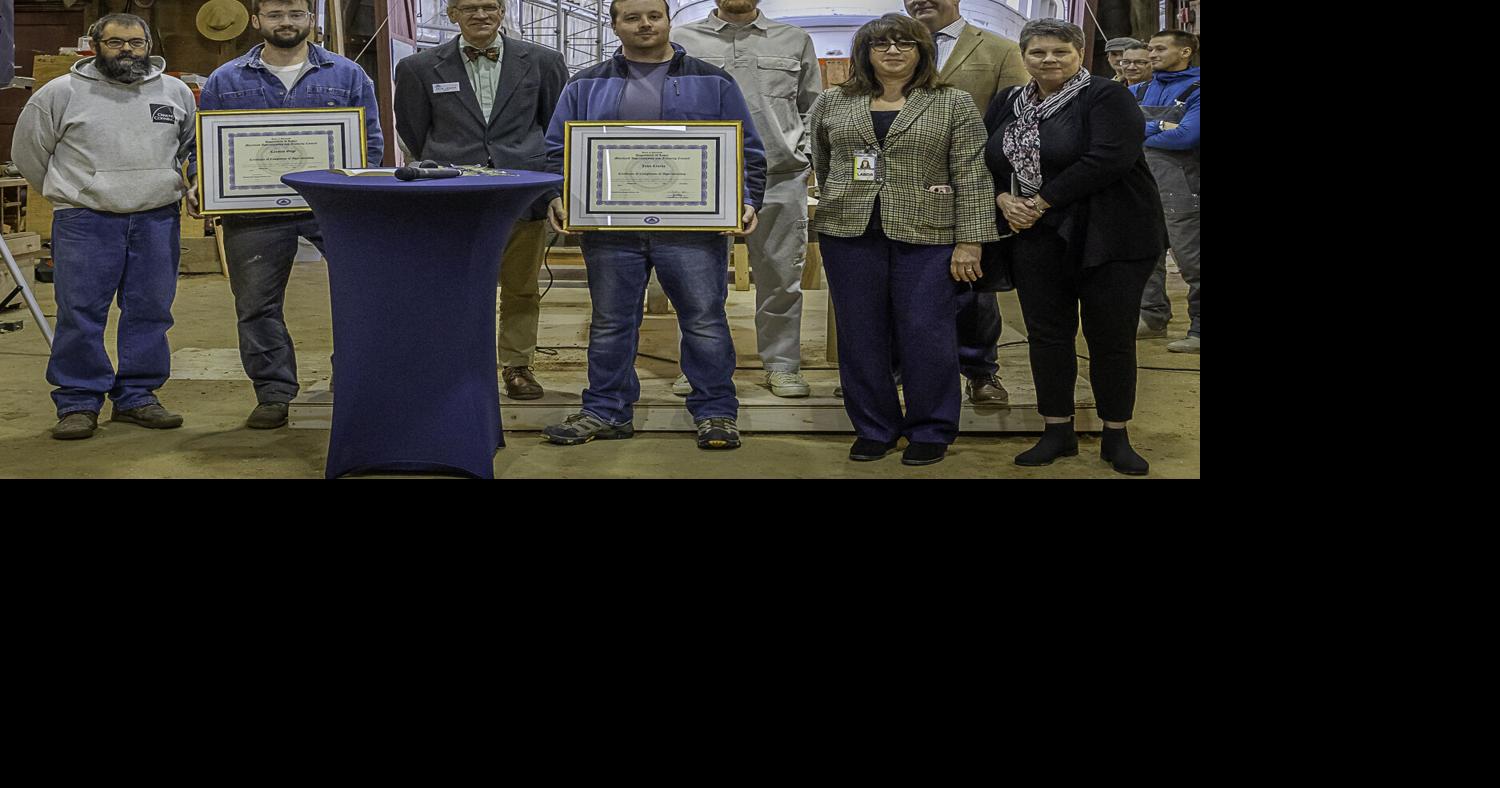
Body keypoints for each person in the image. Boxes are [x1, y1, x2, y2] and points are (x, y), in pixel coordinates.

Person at [541, 0, 766, 450]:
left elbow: (749, 152)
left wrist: (745, 201)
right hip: (610, 232)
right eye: (632, 17)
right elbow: (555, 152)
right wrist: (557, 196)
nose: (644, 24)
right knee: (610, 323)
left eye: (653, 15)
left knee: (703, 320)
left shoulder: (713, 80)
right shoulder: (585, 85)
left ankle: (716, 411)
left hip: (692, 232)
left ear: (667, 21)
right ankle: (606, 410)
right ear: (615, 25)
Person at [808, 13, 998, 467]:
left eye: (905, 44)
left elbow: (972, 173)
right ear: (865, 53)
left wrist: (970, 241)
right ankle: (874, 426)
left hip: (929, 235)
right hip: (848, 232)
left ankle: (931, 429)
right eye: (882, 44)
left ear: (922, 52)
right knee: (860, 335)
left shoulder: (951, 102)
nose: (893, 51)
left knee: (926, 332)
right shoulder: (833, 102)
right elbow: (822, 159)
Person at [985, 19, 1164, 475]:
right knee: (1047, 337)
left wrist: (1040, 201)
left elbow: (1108, 157)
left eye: (1060, 52)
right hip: (1036, 238)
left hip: (1111, 236)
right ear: (1023, 56)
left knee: (1111, 339)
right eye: (1038, 52)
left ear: (1079, 53)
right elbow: (987, 158)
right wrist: (1003, 198)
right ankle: (1057, 430)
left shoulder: (1106, 96)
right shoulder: (1009, 101)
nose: (1049, 60)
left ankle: (1115, 435)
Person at [198, 0, 384, 428]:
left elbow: (369, 142)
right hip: (253, 212)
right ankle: (274, 393)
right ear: (258, 20)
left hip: (334, 208)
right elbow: (204, 142)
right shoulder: (226, 80)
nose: (287, 23)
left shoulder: (347, 74)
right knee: (256, 306)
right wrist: (201, 181)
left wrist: (359, 193)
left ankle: (352, 381)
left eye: (296, 14)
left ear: (310, 20)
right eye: (277, 15)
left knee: (358, 296)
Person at [12, 13, 197, 440]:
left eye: (136, 42)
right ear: (94, 44)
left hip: (156, 218)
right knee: (80, 314)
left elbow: (190, 147)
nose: (127, 51)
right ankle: (78, 400)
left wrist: (192, 184)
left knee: (151, 312)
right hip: (84, 221)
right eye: (116, 43)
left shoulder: (175, 92)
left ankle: (137, 396)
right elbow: (29, 155)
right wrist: (76, 193)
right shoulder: (59, 93)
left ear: (149, 44)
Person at [394, 0, 568, 401]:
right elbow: (414, 132)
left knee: (521, 286)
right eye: (468, 7)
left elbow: (554, 131)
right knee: (453, 286)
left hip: (522, 194)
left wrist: (551, 190)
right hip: (452, 197)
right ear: (452, 14)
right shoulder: (418, 68)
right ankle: (457, 363)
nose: (480, 15)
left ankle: (517, 365)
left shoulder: (544, 61)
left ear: (502, 10)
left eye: (489, 6)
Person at [671, 0, 821, 398]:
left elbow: (812, 107)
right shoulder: (681, 38)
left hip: (780, 177)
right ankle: (701, 364)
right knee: (698, 282)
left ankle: (783, 365)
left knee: (781, 279)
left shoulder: (795, 40)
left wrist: (805, 158)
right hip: (701, 179)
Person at [904, 0, 1026, 407]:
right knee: (903, 281)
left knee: (973, 283)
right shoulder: (890, 44)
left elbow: (1014, 119)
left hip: (972, 182)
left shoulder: (1000, 48)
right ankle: (900, 367)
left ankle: (980, 372)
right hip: (903, 185)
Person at [1133, 29, 1200, 353]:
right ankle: (1152, 317)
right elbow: (1116, 129)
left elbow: (1187, 137)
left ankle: (1199, 330)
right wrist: (1159, 125)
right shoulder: (1140, 89)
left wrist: (1138, 131)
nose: (1152, 54)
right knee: (1146, 255)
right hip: (1143, 186)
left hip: (1183, 188)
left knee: (1192, 262)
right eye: (1150, 47)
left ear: (1185, 52)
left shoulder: (1197, 89)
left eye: (1160, 48)